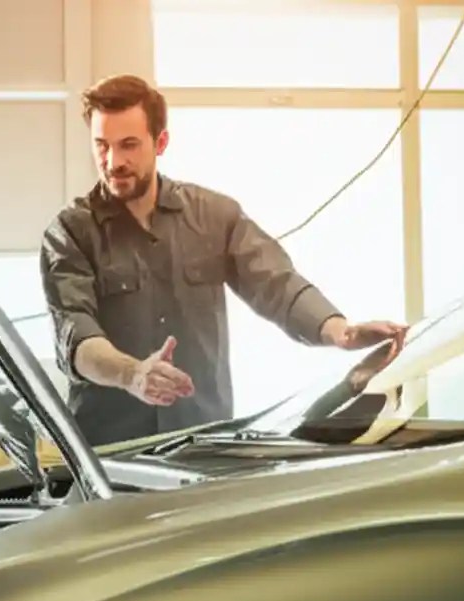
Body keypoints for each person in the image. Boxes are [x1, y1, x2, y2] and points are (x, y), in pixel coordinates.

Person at [40, 74, 406, 447]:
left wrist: (340, 332)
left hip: (205, 445)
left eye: (128, 145)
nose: (113, 161)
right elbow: (77, 339)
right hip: (107, 457)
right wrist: (132, 374)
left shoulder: (215, 216)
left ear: (160, 142)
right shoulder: (69, 233)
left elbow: (276, 284)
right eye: (102, 146)